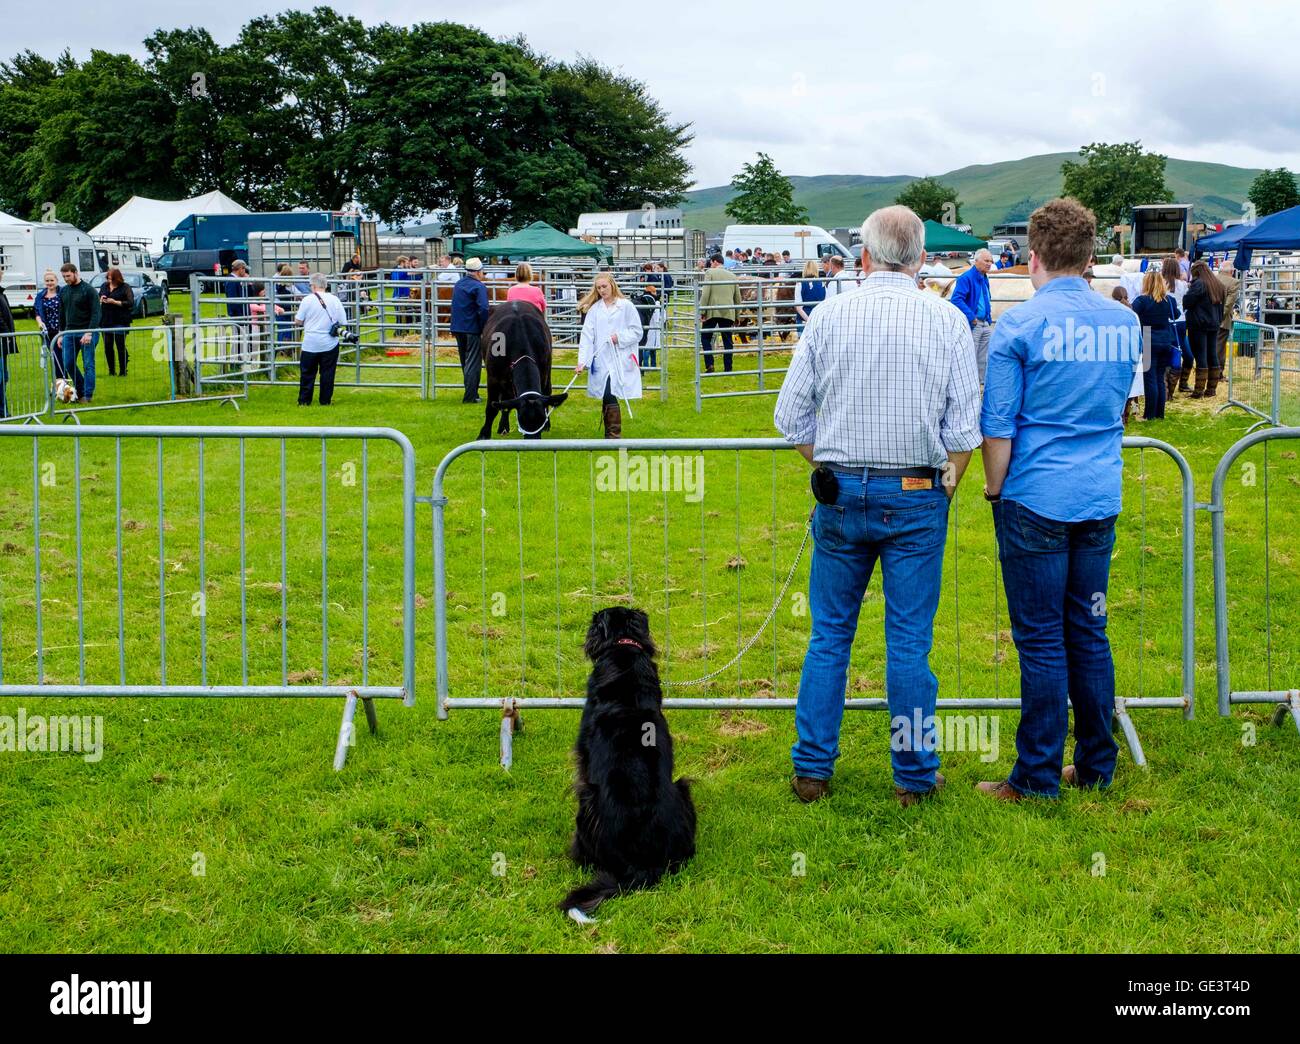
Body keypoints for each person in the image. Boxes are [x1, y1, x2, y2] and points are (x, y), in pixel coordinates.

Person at [773, 205, 981, 806]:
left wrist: (829, 467)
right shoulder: (947, 320)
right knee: (909, 640)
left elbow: (790, 417)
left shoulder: (828, 315)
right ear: (920, 260)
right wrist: (948, 482)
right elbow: (965, 428)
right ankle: (913, 777)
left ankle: (813, 769)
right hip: (916, 492)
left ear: (863, 256)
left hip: (841, 492)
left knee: (829, 634)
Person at [977, 197, 1140, 802]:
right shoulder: (1123, 324)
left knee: (1042, 637)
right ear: (1091, 254)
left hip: (1036, 497)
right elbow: (1123, 403)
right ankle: (1098, 764)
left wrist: (996, 489)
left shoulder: (1018, 325)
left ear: (1033, 256)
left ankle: (1038, 775)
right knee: (1089, 631)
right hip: (1098, 493)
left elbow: (998, 425)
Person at [576, 272, 642, 438]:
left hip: (620, 357)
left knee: (610, 393)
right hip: (601, 359)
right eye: (599, 288)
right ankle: (610, 434)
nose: (602, 290)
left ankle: (613, 435)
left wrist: (618, 338)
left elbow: (637, 331)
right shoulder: (594, 310)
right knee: (607, 393)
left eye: (604, 286)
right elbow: (587, 336)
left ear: (612, 285)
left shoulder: (626, 306)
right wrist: (582, 361)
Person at [1130, 267, 1179, 420]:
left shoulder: (1141, 301)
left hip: (1148, 338)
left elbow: (1132, 316)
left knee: (1150, 378)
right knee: (1159, 377)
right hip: (1166, 339)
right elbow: (1176, 315)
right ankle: (1160, 413)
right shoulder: (1169, 300)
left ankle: (1149, 415)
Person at [293, 273, 347, 406]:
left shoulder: (307, 300)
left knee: (307, 373)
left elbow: (298, 321)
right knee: (328, 373)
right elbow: (342, 320)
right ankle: (325, 400)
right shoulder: (335, 300)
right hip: (329, 342)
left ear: (314, 285)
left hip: (310, 342)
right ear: (326, 285)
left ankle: (304, 401)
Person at [58, 262, 100, 403]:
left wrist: (89, 332)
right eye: (64, 276)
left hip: (87, 332)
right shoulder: (64, 291)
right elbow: (62, 314)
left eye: (68, 276)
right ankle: (80, 389)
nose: (66, 279)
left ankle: (87, 395)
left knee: (88, 364)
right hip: (69, 332)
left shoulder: (88, 290)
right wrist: (60, 334)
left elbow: (96, 313)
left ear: (76, 273)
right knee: (68, 363)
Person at [951, 248, 996, 379]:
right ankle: (969, 381)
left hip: (984, 323)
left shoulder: (983, 277)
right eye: (986, 260)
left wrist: (988, 317)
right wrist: (972, 317)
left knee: (984, 355)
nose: (989, 263)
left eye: (991, 261)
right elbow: (956, 299)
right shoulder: (966, 278)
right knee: (971, 355)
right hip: (974, 323)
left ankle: (980, 383)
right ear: (976, 261)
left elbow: (985, 298)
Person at [450, 256, 489, 403]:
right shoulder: (479, 287)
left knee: (465, 362)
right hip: (472, 328)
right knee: (473, 362)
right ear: (478, 272)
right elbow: (483, 308)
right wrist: (484, 327)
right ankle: (470, 396)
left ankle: (471, 391)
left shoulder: (459, 284)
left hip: (458, 327)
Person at [1183, 260, 1225, 398]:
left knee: (1200, 355)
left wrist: (1187, 292)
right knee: (1212, 354)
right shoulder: (1217, 284)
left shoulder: (1199, 284)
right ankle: (1211, 389)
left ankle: (1198, 391)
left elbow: (1188, 301)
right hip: (1214, 324)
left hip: (1199, 324)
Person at [698, 253, 740, 373]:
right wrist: (737, 315)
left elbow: (705, 293)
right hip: (728, 311)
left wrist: (702, 311)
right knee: (727, 340)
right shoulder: (732, 276)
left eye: (711, 262)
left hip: (712, 310)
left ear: (715, 262)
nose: (710, 265)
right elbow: (737, 297)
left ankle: (710, 364)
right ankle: (728, 367)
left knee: (705, 337)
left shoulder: (710, 273)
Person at [98, 267, 135, 377]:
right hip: (106, 319)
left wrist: (115, 302)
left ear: (117, 278)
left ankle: (123, 371)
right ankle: (111, 370)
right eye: (108, 278)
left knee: (120, 345)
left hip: (120, 320)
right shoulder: (104, 286)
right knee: (108, 346)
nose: (109, 281)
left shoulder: (125, 287)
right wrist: (102, 298)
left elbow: (130, 302)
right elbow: (100, 295)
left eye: (111, 279)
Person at [1161, 256, 1190, 395]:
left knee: (1167, 350)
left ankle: (1165, 386)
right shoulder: (1182, 284)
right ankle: (1173, 386)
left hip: (1167, 320)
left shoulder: (1161, 284)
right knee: (1178, 349)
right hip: (1180, 320)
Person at [33, 269, 67, 379]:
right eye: (47, 281)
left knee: (63, 357)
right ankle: (60, 383)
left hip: (62, 330)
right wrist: (39, 322)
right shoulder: (40, 295)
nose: (49, 283)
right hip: (48, 331)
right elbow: (37, 312)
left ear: (56, 280)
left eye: (51, 280)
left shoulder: (63, 292)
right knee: (54, 357)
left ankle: (64, 382)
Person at [1216, 263, 1240, 383]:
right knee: (1219, 347)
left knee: (1211, 345)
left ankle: (1210, 370)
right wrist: (1219, 317)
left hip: (1208, 319)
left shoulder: (1213, 278)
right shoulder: (1234, 282)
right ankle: (1218, 373)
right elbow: (1229, 304)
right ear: (1231, 271)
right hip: (1222, 320)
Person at [793, 259, 826, 337]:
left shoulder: (799, 284)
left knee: (803, 345)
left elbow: (798, 307)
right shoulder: (823, 283)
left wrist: (808, 320)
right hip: (818, 320)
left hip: (803, 320)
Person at [0, 267, 14, 417]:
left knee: (4, 377)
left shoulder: (2, 293)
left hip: (3, 343)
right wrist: (7, 334)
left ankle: (3, 411)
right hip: (2, 340)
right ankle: (3, 411)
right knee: (1, 377)